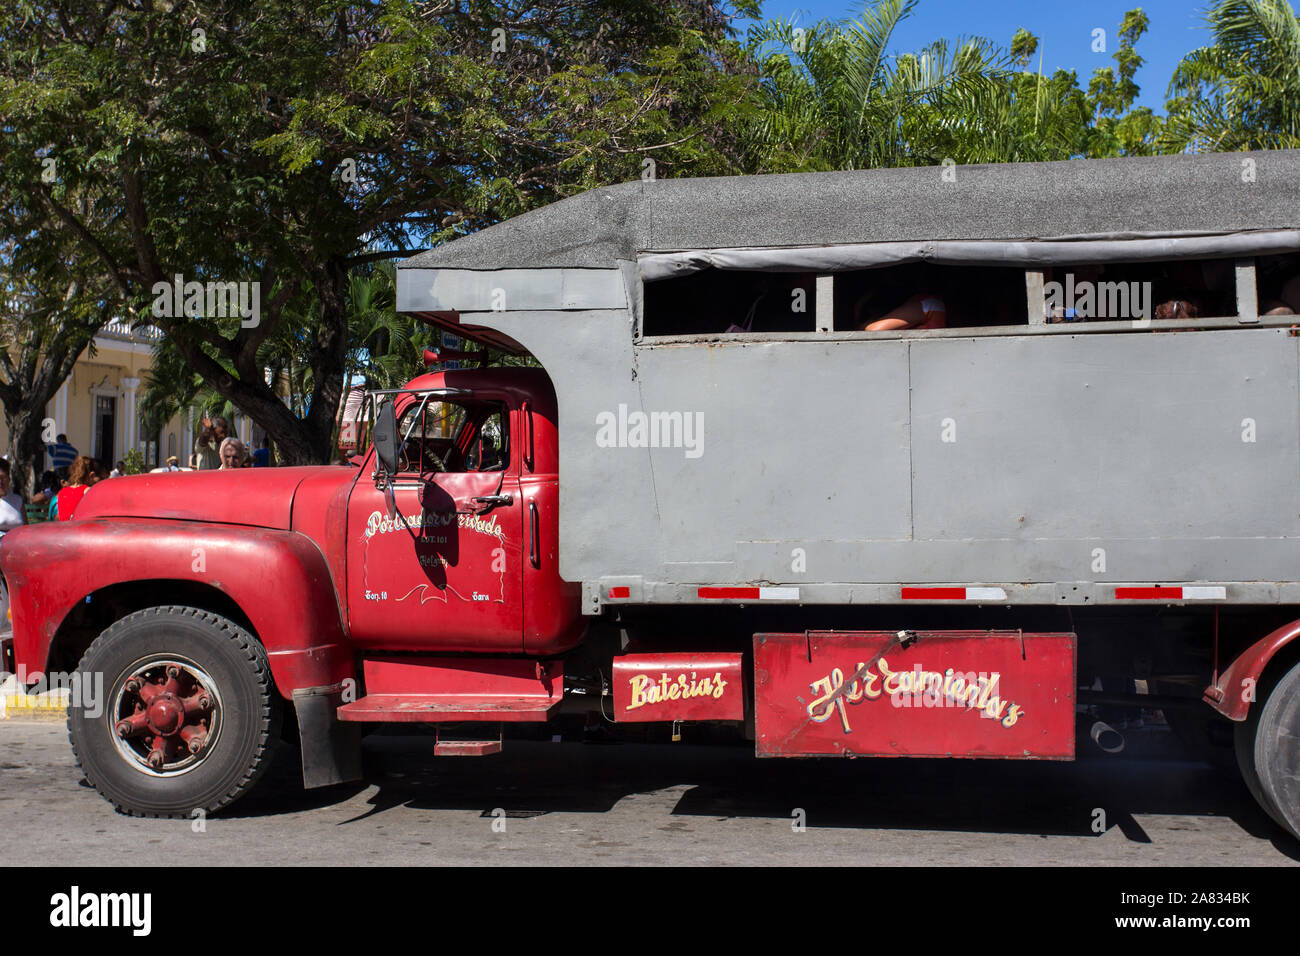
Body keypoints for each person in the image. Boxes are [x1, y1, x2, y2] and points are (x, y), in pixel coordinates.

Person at [55, 456, 100, 521]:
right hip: (80, 529)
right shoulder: (88, 491)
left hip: (64, 529)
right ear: (91, 475)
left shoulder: (62, 492)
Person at [0, 460, 25, 533]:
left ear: (9, 479)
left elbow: (26, 527)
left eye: (3, 477)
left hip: (17, 542)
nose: (0, 482)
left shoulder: (17, 500)